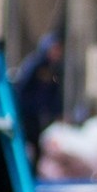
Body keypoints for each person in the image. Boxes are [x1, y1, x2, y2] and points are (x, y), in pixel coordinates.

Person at [13, 34, 64, 170]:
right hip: (24, 114)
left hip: (37, 115)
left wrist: (57, 112)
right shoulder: (34, 65)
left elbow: (54, 94)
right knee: (22, 143)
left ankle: (32, 172)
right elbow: (21, 87)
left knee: (36, 145)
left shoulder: (53, 69)